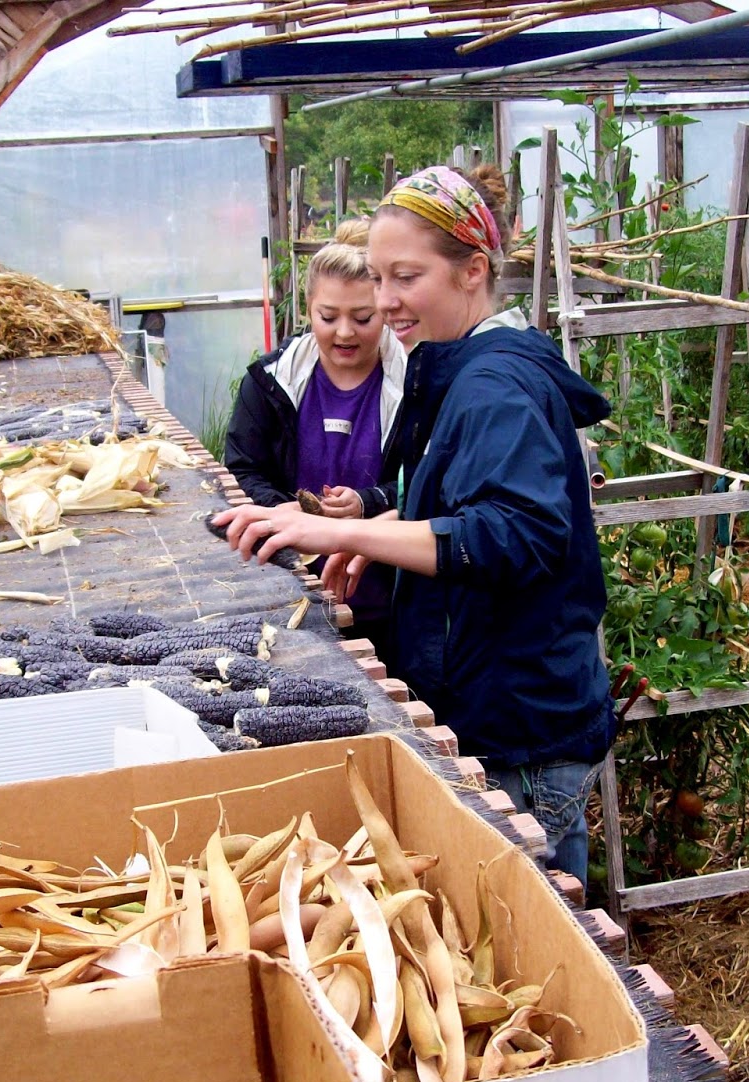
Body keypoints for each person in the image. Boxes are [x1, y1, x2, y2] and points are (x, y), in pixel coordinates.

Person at [214, 165, 615, 887]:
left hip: (519, 728)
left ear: (474, 271)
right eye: (378, 277)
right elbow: (467, 507)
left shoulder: (497, 386)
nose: (387, 301)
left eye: (406, 277)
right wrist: (391, 528)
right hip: (498, 705)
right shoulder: (466, 368)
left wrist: (349, 534)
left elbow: (516, 534)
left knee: (543, 937)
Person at [224, 220, 406, 658]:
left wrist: (369, 501)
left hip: (388, 600)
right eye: (329, 317)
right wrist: (283, 509)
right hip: (289, 599)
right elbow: (242, 466)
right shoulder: (270, 382)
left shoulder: (412, 384)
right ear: (308, 309)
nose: (345, 332)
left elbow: (427, 482)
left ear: (384, 308)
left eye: (363, 318)